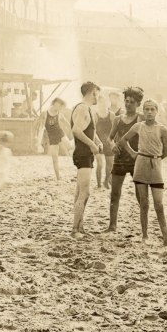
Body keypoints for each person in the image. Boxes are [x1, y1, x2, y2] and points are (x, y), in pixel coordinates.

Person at [116, 97, 167, 246]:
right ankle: (145, 235)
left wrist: (155, 158)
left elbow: (166, 152)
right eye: (146, 109)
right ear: (143, 111)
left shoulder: (162, 129)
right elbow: (122, 140)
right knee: (144, 203)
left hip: (155, 166)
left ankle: (166, 237)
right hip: (140, 165)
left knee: (159, 204)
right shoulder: (138, 126)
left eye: (152, 109)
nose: (149, 112)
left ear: (157, 111)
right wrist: (134, 153)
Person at [105, 86, 144, 233]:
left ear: (138, 104)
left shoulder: (141, 118)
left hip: (136, 160)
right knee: (115, 194)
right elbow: (109, 138)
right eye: (126, 101)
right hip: (119, 159)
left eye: (132, 102)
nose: (128, 104)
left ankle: (144, 227)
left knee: (140, 195)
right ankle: (112, 226)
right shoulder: (117, 119)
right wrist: (112, 144)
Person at [69, 81, 103, 233]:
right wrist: (92, 144)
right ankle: (76, 229)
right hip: (83, 154)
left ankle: (80, 227)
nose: (98, 97)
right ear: (92, 92)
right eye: (97, 93)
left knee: (80, 192)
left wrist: (98, 141)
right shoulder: (83, 108)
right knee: (84, 192)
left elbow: (88, 130)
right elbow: (76, 130)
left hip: (84, 154)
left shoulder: (86, 109)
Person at [37, 98, 71, 181]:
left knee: (70, 147)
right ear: (55, 103)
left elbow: (68, 124)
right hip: (52, 137)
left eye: (61, 107)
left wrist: (73, 130)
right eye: (60, 106)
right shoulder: (44, 114)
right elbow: (40, 126)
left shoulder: (59, 114)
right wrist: (38, 141)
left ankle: (79, 167)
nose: (60, 108)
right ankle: (58, 177)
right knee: (55, 159)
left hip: (60, 133)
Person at [94, 91, 117, 189]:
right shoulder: (95, 115)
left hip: (109, 141)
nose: (102, 104)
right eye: (100, 102)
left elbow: (115, 129)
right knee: (100, 164)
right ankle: (98, 184)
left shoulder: (111, 115)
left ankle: (106, 181)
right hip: (98, 141)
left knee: (110, 165)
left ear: (107, 103)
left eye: (104, 102)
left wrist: (112, 140)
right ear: (98, 104)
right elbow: (93, 130)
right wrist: (98, 141)